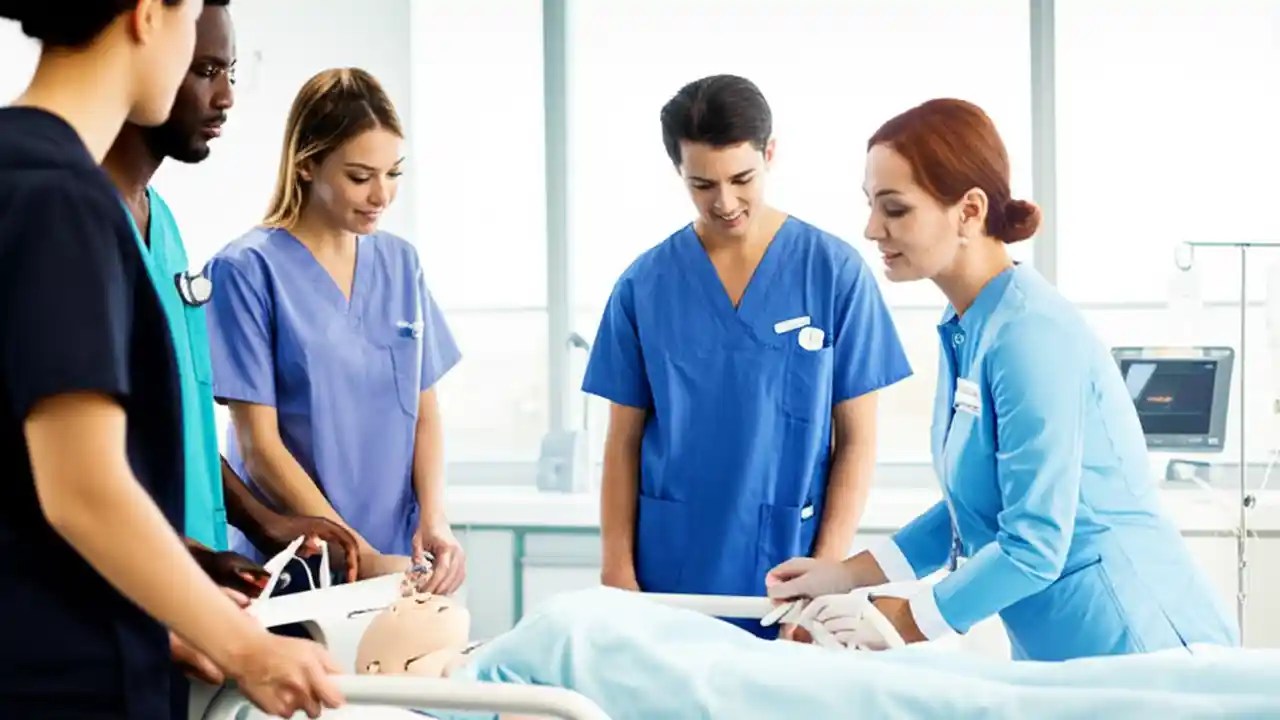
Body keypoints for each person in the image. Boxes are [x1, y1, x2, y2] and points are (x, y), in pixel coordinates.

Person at [766, 98, 1239, 661]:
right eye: (871, 205)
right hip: (1062, 647)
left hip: (1137, 640)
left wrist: (906, 618)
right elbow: (976, 508)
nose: (872, 229)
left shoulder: (1031, 334)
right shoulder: (967, 327)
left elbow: (1034, 543)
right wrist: (847, 575)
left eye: (894, 209)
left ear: (968, 210)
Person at [0, 3, 344, 719]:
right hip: (64, 681)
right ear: (150, 14)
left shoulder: (18, 174)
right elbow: (83, 488)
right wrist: (250, 649)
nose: (222, 87)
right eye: (195, 28)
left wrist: (176, 578)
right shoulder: (63, 197)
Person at [581, 74, 912, 638]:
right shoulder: (644, 285)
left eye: (742, 179)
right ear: (679, 174)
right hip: (672, 570)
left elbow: (856, 439)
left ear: (771, 154)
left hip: (787, 568)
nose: (725, 202)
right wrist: (617, 569)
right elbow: (623, 440)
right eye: (701, 184)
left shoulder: (832, 273)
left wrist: (829, 572)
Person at [99, 0, 361, 593]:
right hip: (119, 589)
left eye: (231, 74)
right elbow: (78, 460)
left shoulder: (161, 225)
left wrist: (263, 522)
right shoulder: (75, 220)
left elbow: (178, 425)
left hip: (190, 578)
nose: (226, 98)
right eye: (206, 71)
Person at [205, 67, 467, 594]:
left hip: (396, 558)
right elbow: (260, 447)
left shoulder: (400, 263)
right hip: (294, 562)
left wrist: (434, 521)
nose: (381, 195)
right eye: (359, 176)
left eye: (393, 173)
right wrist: (357, 552)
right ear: (307, 166)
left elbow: (424, 412)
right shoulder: (246, 270)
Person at [364, 585, 1280, 720]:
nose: (418, 588)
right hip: (782, 691)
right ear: (392, 677)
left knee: (1000, 686)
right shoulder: (501, 678)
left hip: (800, 669)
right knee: (1005, 703)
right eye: (405, 606)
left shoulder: (520, 643)